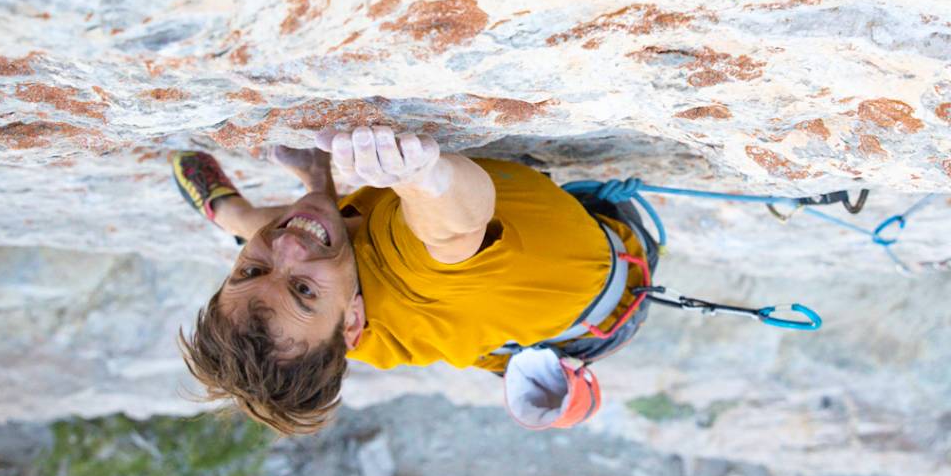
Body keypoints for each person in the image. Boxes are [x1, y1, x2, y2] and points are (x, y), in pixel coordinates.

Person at [171, 126, 644, 436]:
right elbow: (454, 229)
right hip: (609, 268)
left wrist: (318, 183)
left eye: (250, 271)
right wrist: (423, 177)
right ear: (353, 322)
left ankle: (236, 217)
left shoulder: (319, 336)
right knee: (308, 237)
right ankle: (235, 218)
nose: (284, 251)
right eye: (303, 291)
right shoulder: (413, 271)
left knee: (302, 235)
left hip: (522, 315)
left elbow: (297, 248)